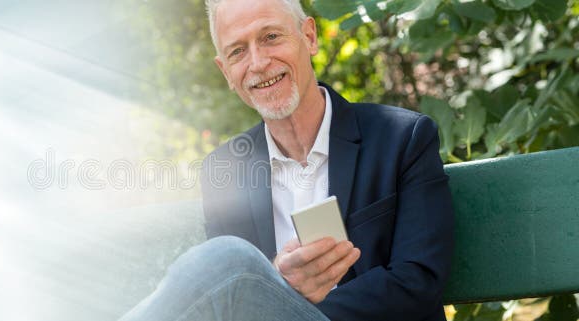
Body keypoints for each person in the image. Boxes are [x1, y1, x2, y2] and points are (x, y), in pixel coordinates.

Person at [119, 0, 454, 320]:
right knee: (225, 264)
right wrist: (276, 279)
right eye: (238, 51)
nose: (258, 62)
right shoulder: (226, 169)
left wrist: (277, 297)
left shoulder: (400, 138)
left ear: (309, 37)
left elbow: (418, 280)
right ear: (225, 71)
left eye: (270, 37)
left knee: (226, 260)